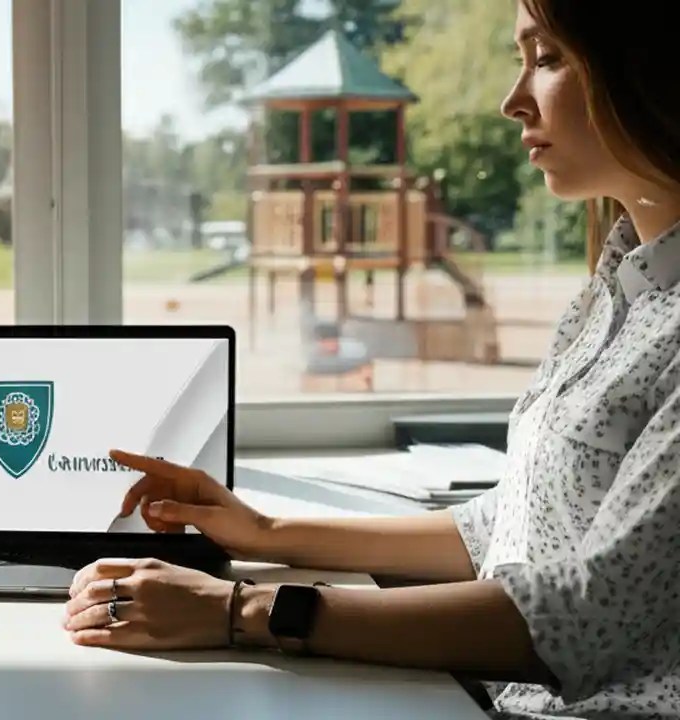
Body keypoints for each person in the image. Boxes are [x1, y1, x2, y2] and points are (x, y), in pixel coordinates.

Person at [63, 1, 680, 717]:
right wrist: (263, 531)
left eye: (546, 59)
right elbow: (509, 526)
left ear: (652, 67)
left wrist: (241, 609)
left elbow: (582, 615)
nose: (513, 102)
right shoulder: (614, 291)